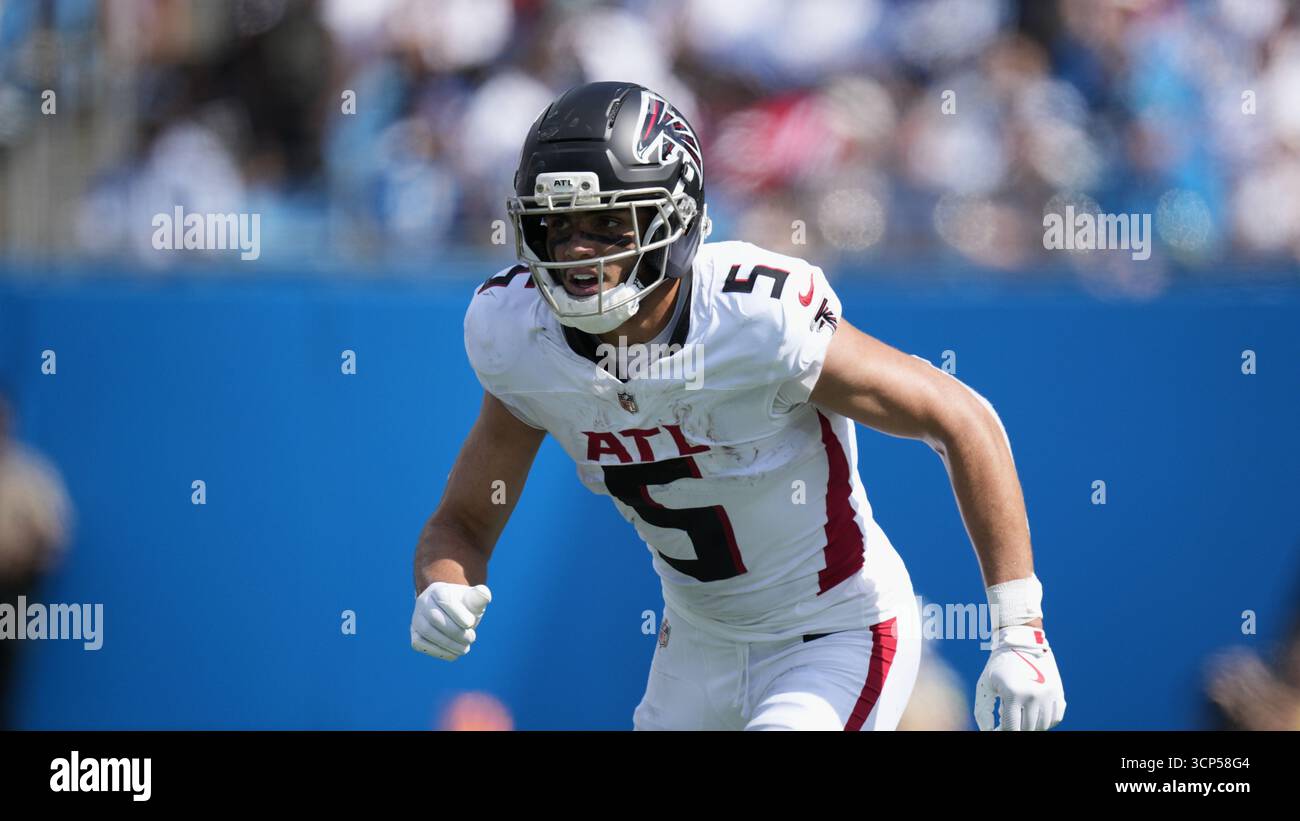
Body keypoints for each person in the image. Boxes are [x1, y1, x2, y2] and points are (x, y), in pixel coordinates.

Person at [409, 82, 1066, 731]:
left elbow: (961, 416)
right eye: (559, 224)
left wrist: (1020, 629)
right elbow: (462, 522)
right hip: (695, 646)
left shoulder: (755, 316)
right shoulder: (518, 334)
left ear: (673, 219)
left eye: (607, 224)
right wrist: (441, 584)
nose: (578, 250)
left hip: (834, 631)